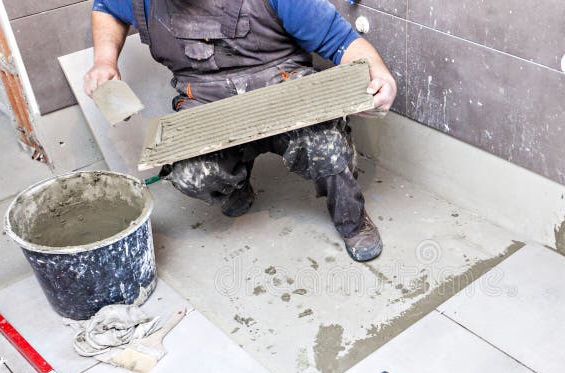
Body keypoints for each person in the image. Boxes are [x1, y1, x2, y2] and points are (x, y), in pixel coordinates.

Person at [85, 0, 397, 261]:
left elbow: (342, 41)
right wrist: (104, 60)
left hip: (283, 87)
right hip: (207, 100)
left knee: (328, 149)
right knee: (191, 174)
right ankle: (235, 184)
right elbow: (106, 7)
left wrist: (379, 74)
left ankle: (352, 221)